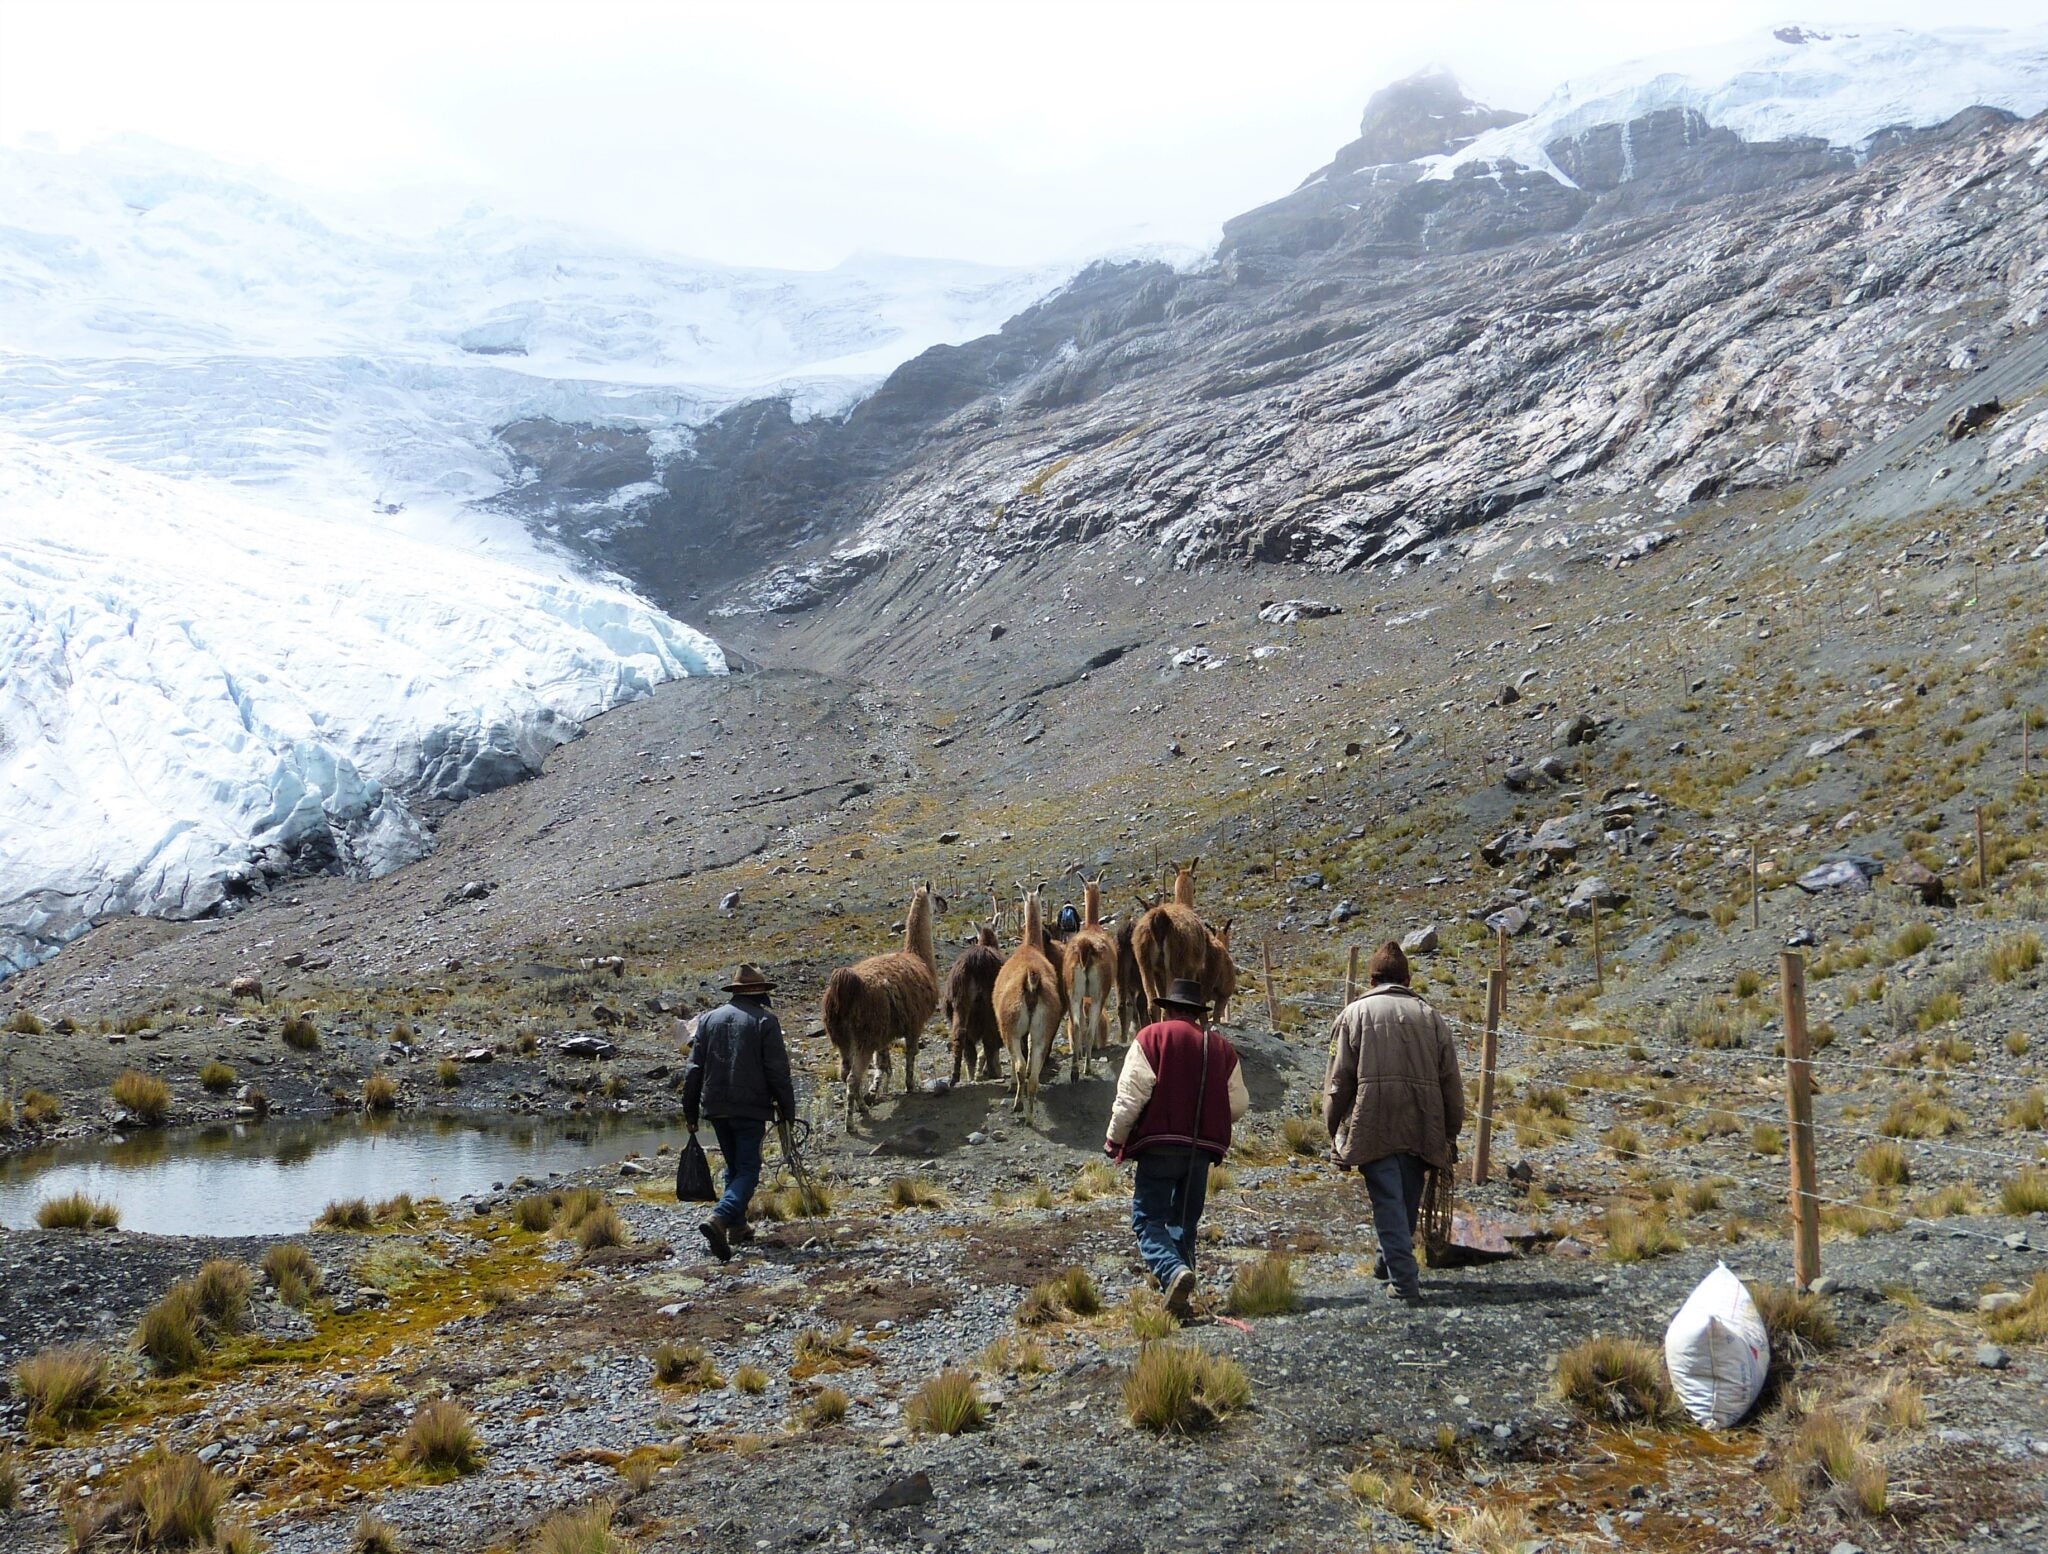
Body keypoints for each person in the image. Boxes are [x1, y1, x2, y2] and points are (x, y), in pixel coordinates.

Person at [1322, 941, 1465, 1305]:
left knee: (1388, 1199)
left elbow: (1339, 1080)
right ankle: (1389, 1262)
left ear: (1371, 979)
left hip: (1373, 1119)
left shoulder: (1354, 1014)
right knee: (1406, 1196)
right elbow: (1451, 1080)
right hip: (1423, 1121)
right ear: (1407, 978)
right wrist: (1450, 1132)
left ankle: (1404, 1282)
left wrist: (1333, 1126)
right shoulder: (1430, 1016)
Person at [1105, 977, 1250, 1318]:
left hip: (1158, 1150)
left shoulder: (1151, 1038)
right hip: (1200, 1150)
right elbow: (1239, 1104)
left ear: (1167, 1009)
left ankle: (1174, 1273)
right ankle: (1181, 1298)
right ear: (1197, 1013)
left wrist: (1116, 1138)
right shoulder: (1220, 1048)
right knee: (1184, 1222)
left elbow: (1130, 1098)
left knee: (1147, 1221)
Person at [683, 963, 797, 1263]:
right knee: (748, 1170)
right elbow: (778, 1072)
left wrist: (690, 1110)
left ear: (735, 991)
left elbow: (694, 1069)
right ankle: (719, 1218)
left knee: (734, 1167)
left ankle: (737, 1228)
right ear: (760, 992)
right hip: (750, 1107)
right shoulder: (765, 1021)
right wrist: (788, 1110)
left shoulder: (708, 1021)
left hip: (716, 1106)